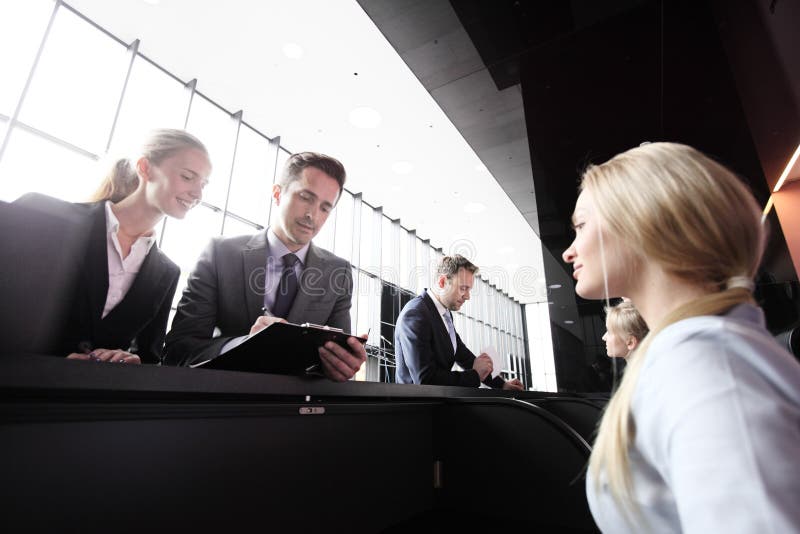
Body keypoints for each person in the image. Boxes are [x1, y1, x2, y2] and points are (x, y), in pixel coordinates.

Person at [561, 142, 800, 532]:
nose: (569, 252)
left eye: (582, 225)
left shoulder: (706, 368)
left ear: (643, 221)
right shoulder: (692, 356)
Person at [12, 128, 212, 364]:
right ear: (145, 168)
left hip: (91, 388)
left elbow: (149, 355)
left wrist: (133, 360)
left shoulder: (167, 272)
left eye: (204, 184)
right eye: (187, 177)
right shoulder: (42, 214)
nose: (197, 194)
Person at [164, 152, 366, 382]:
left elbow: (334, 363)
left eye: (325, 208)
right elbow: (178, 350)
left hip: (298, 402)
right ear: (277, 194)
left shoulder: (338, 272)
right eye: (305, 197)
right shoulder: (220, 254)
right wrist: (244, 345)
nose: (312, 215)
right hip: (225, 395)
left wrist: (341, 366)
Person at [394, 254, 525, 389]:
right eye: (463, 288)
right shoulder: (416, 314)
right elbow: (425, 379)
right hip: (418, 402)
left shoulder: (444, 313)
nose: (467, 296)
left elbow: (463, 355)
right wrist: (475, 375)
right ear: (442, 282)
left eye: (469, 289)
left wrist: (502, 385)